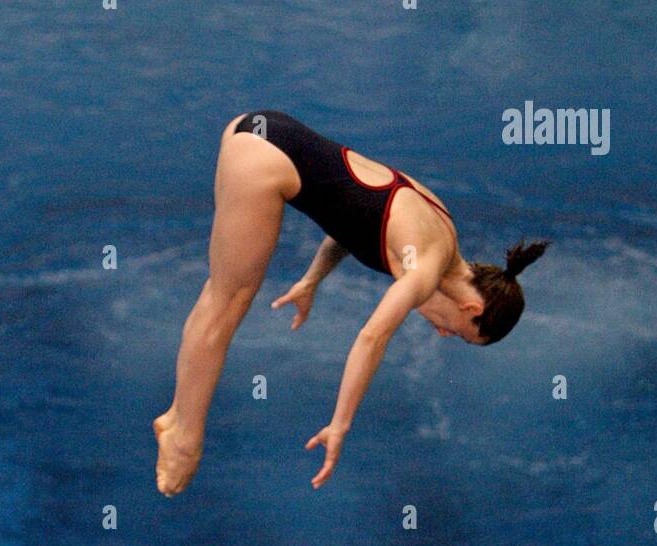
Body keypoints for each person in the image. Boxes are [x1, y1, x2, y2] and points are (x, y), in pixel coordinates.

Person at [154, 109, 549, 495]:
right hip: (262, 161)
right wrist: (339, 426)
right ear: (472, 309)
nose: (442, 332)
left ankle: (179, 416)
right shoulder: (424, 269)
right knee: (226, 300)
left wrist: (312, 280)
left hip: (261, 127)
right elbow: (372, 338)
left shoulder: (442, 227)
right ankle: (184, 436)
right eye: (459, 333)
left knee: (223, 293)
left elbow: (356, 217)